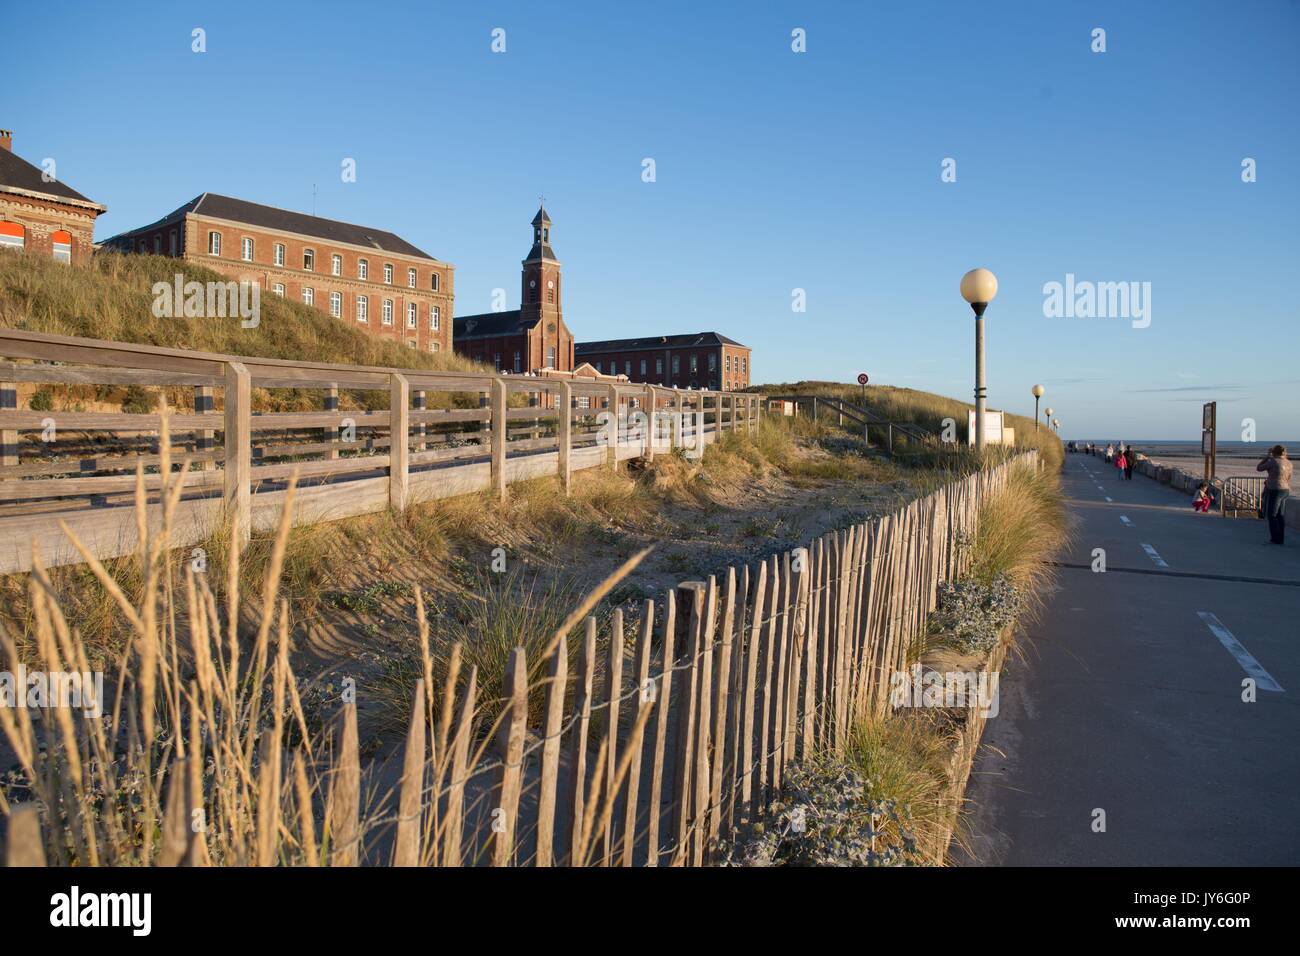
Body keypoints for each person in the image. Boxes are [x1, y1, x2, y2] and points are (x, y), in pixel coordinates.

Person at [1256, 445, 1292, 545]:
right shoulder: (1288, 462)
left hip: (1275, 489)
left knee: (1272, 514)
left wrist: (1267, 457)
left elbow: (1259, 468)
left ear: (1274, 452)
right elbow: (1289, 477)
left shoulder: (1273, 461)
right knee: (1280, 515)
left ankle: (1275, 539)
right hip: (1285, 489)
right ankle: (1281, 538)